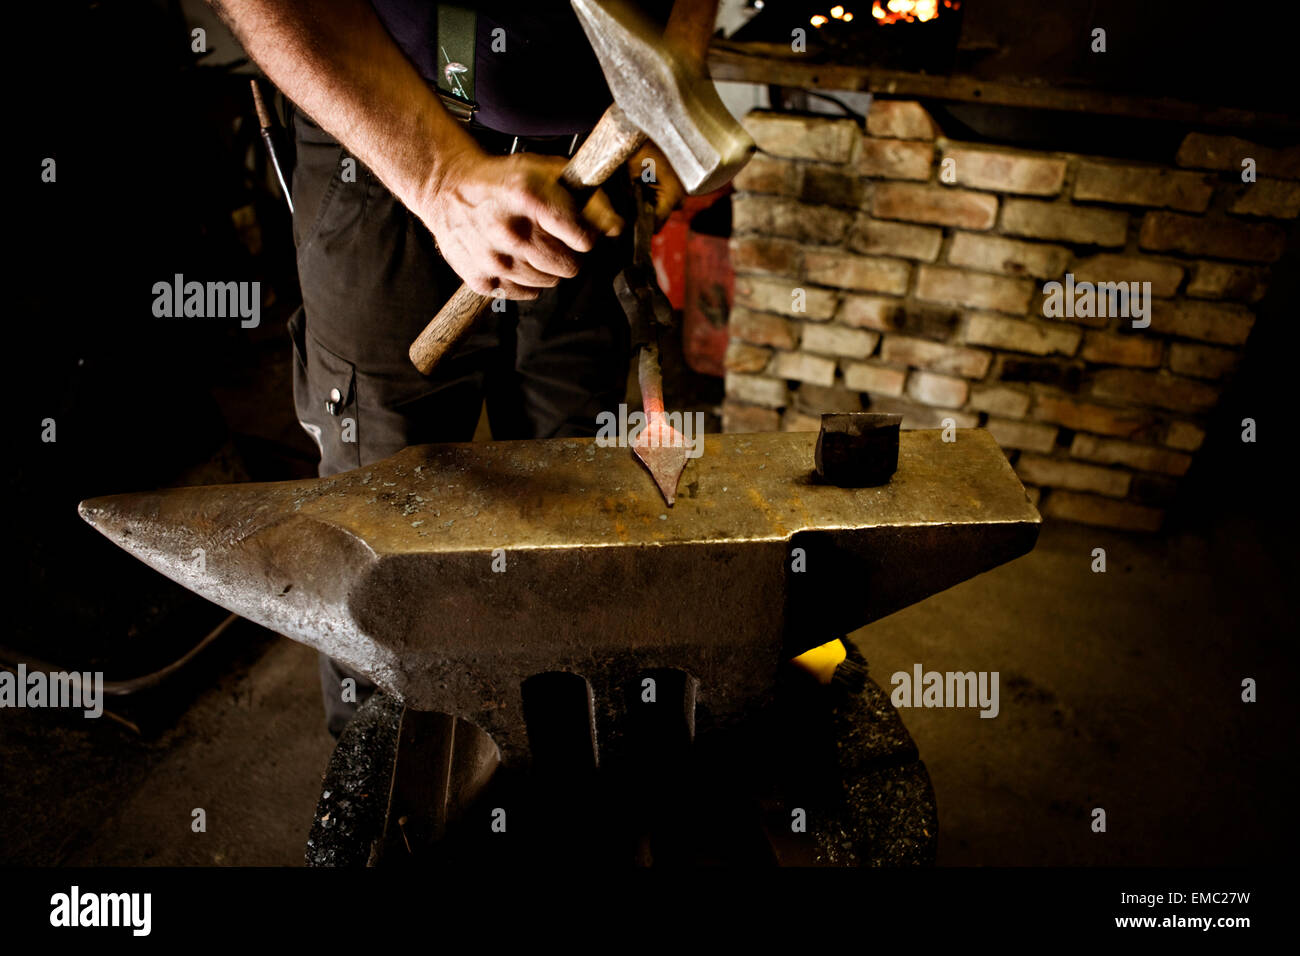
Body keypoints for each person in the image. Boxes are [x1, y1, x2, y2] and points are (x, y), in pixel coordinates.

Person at [210, 0, 719, 735]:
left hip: (592, 166)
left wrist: (675, 73)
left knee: (574, 498)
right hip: (383, 147)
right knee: (378, 529)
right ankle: (392, 810)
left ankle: (551, 770)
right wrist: (439, 180)